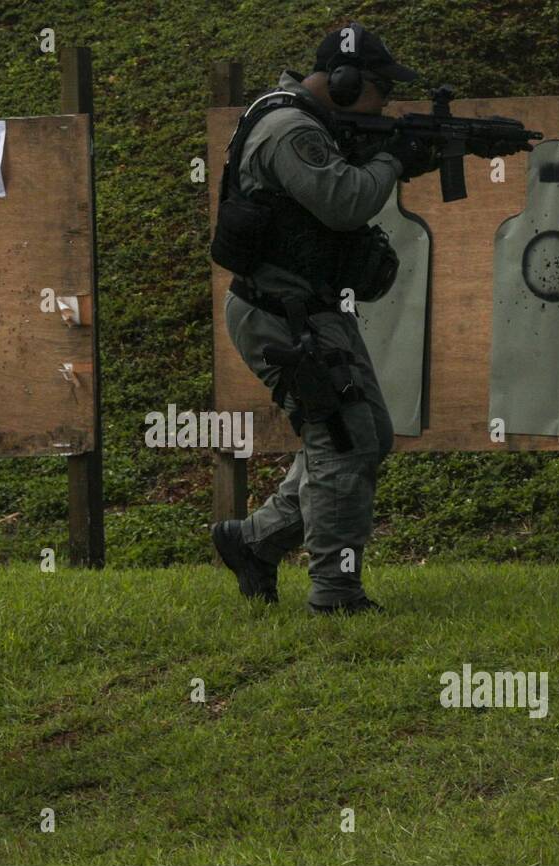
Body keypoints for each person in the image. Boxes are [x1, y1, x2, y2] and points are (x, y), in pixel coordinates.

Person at [210, 22, 440, 614]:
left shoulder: (307, 121)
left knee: (361, 437)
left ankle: (254, 542)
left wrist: (395, 154)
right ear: (341, 81)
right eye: (380, 90)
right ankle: (335, 592)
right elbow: (344, 203)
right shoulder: (291, 130)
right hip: (281, 316)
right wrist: (392, 160)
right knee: (342, 439)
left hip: (305, 311)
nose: (386, 101)